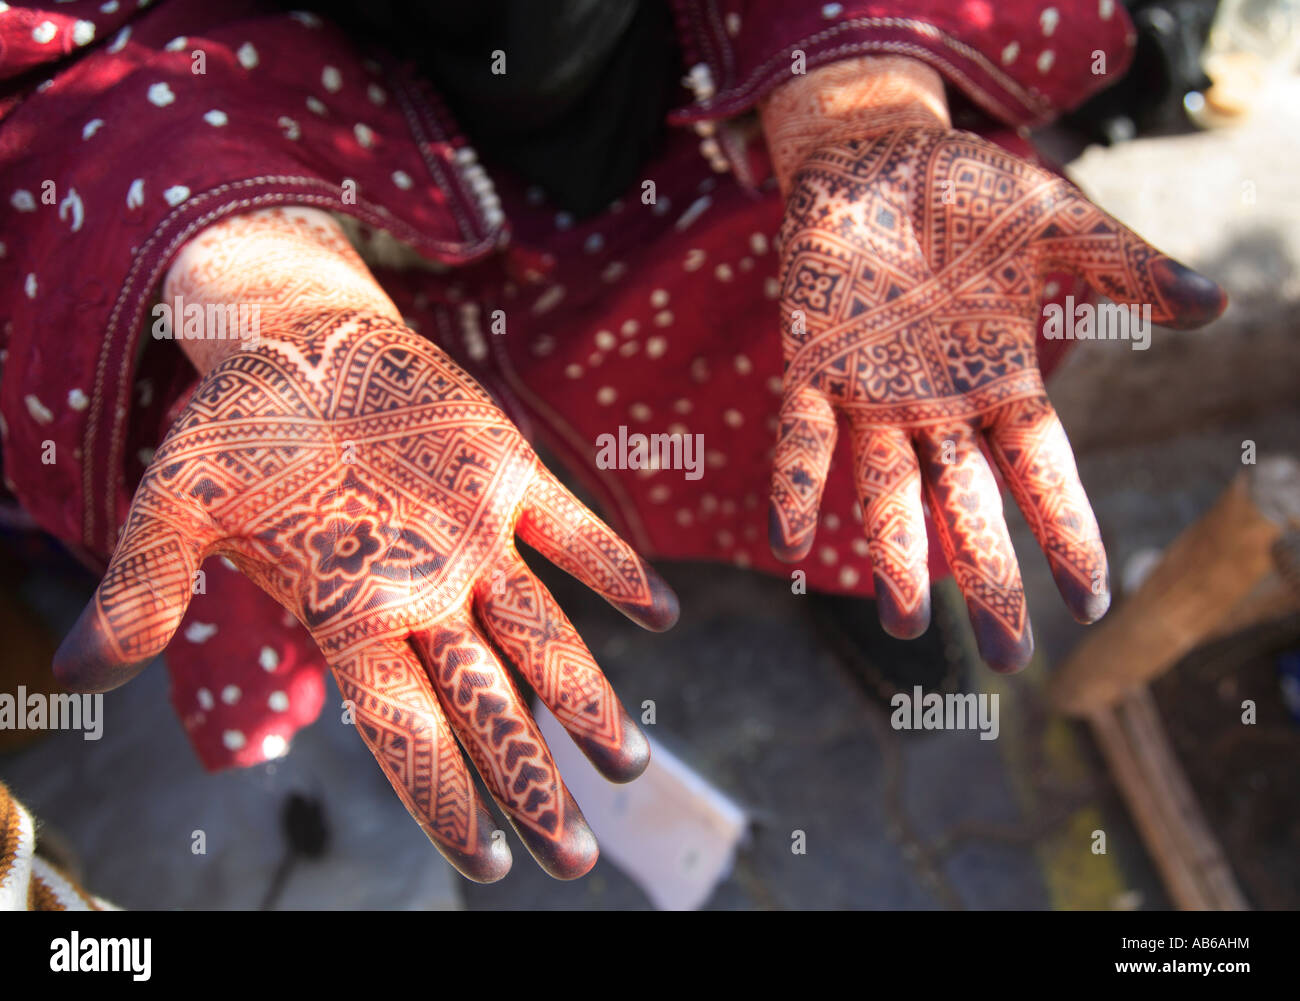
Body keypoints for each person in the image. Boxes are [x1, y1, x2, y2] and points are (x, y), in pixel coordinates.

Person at [0, 0, 1224, 882]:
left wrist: (857, 103)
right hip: (368, 209)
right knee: (481, 480)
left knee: (850, 402)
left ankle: (848, 576)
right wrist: (277, 298)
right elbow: (62, 40)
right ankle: (549, 582)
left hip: (718, 124)